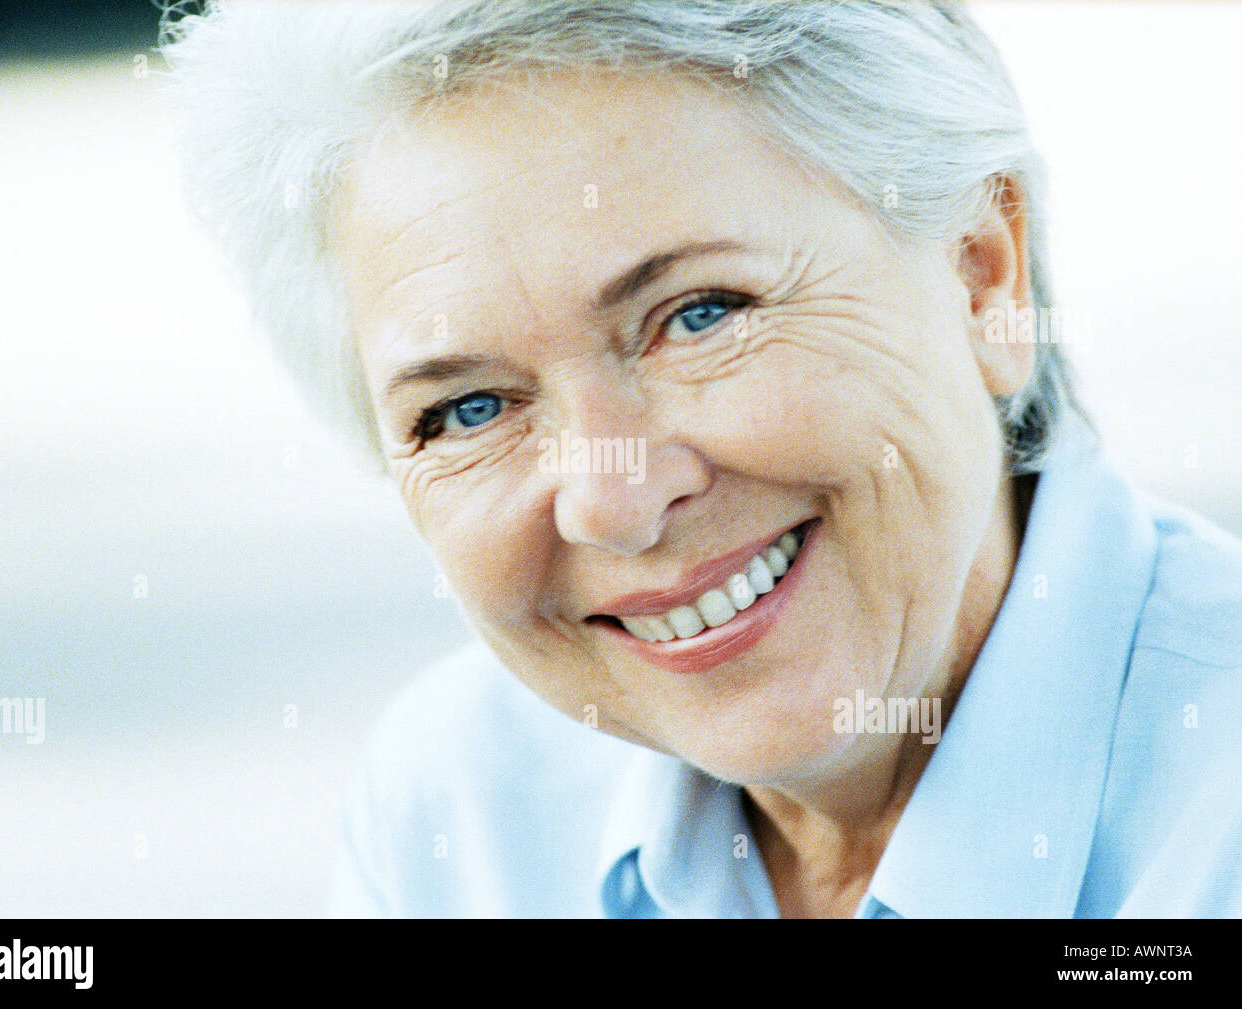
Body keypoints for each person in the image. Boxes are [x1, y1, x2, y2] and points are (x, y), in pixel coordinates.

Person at [161, 0, 1242, 917]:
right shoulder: (461, 816)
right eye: (471, 406)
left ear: (979, 274)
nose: (616, 498)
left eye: (699, 315)